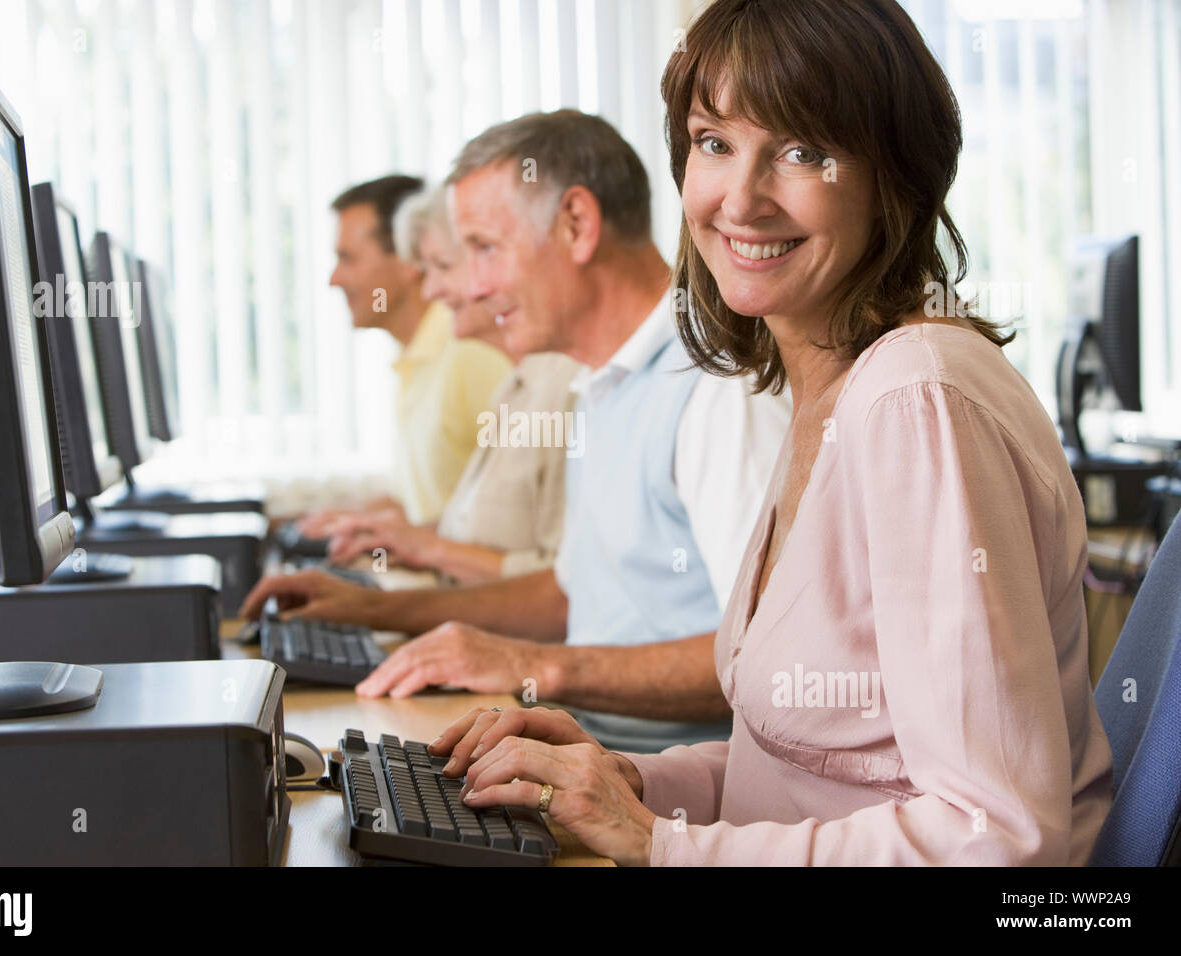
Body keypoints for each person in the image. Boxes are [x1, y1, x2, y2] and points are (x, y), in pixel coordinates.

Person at [424, 0, 1114, 865]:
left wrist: (661, 847)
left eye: (802, 151)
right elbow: (813, 773)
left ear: (893, 174)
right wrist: (634, 782)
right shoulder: (827, 390)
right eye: (715, 142)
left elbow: (997, 838)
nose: (740, 200)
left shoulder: (914, 400)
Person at [241, 111, 792, 750]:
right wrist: (375, 611)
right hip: (596, 750)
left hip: (670, 800)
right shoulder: (602, 382)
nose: (471, 286)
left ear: (577, 225)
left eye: (484, 248)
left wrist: (534, 667)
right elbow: (569, 594)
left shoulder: (718, 389)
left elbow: (765, 661)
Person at [323, 187, 583, 585]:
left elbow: (557, 575)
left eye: (441, 266)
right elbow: (469, 518)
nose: (432, 291)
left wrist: (428, 550)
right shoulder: (511, 384)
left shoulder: (480, 359)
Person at [302, 175, 511, 532]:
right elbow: (441, 504)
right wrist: (362, 520)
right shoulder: (416, 357)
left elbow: (515, 523)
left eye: (347, 259)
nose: (334, 279)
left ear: (408, 257)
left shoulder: (472, 352)